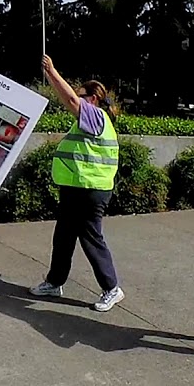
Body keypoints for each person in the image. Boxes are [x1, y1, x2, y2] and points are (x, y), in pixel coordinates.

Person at [30, 55, 126, 313]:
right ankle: (54, 282)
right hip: (76, 189)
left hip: (91, 191)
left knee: (91, 238)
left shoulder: (96, 117)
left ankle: (112, 288)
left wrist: (51, 72)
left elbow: (71, 99)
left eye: (83, 95)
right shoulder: (88, 122)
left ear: (92, 99)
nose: (77, 99)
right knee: (63, 237)